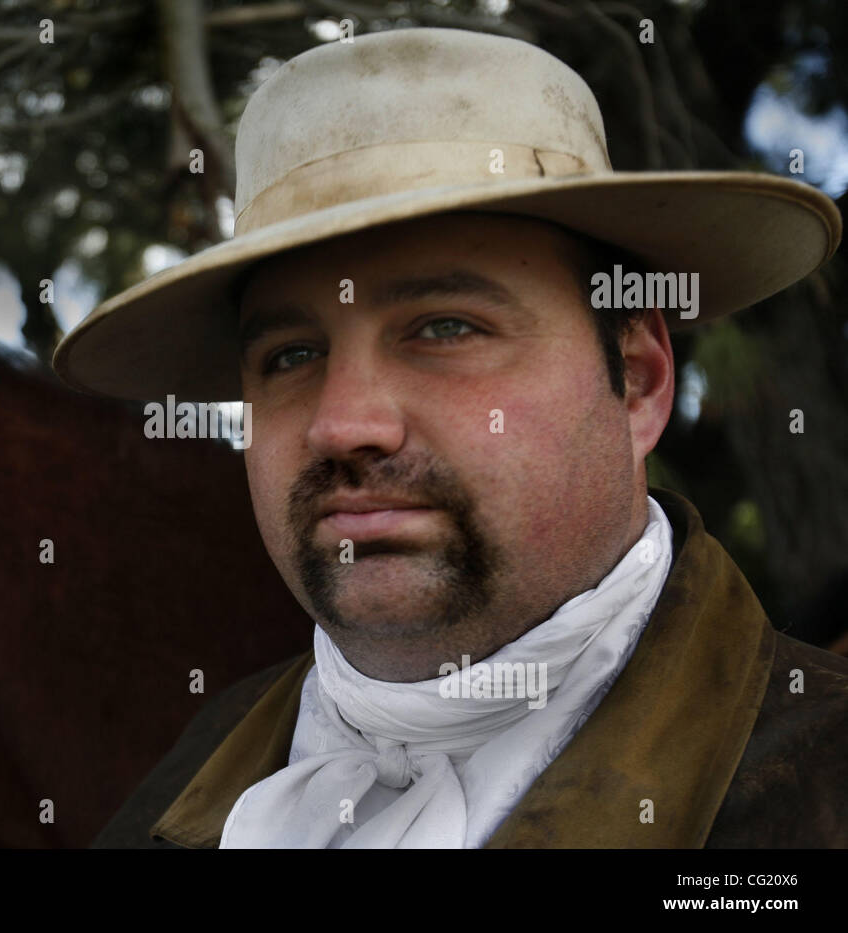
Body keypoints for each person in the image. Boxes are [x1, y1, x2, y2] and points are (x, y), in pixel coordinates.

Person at [52, 27, 848, 848]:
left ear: (638, 384)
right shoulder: (188, 768)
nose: (343, 426)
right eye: (291, 355)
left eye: (444, 327)